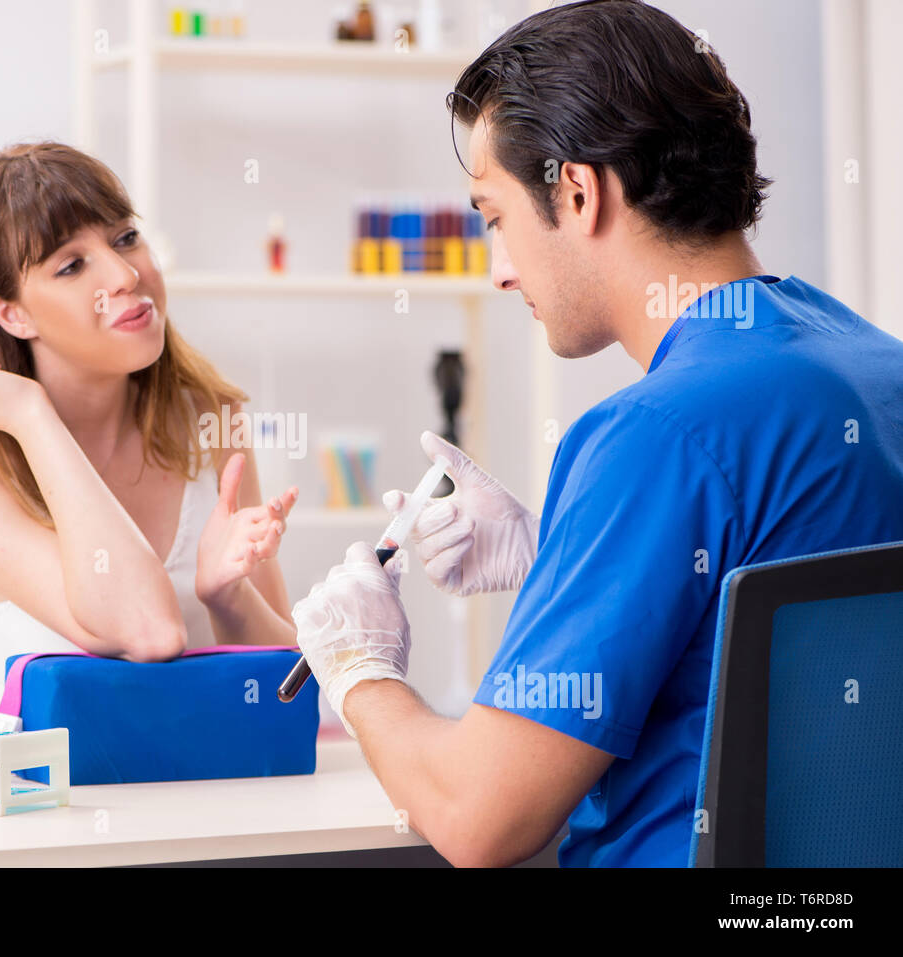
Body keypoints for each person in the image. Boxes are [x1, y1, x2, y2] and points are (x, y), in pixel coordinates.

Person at [291, 0, 903, 866]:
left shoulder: (655, 433)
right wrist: (558, 554)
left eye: (494, 217)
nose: (500, 270)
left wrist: (357, 666)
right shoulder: (877, 369)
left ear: (578, 193)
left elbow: (478, 819)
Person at [0, 143, 299, 727]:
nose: (126, 275)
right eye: (72, 266)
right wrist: (30, 415)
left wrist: (228, 598)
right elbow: (148, 631)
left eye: (125, 237)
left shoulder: (212, 423)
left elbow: (286, 685)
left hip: (219, 799)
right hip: (49, 812)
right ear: (11, 315)